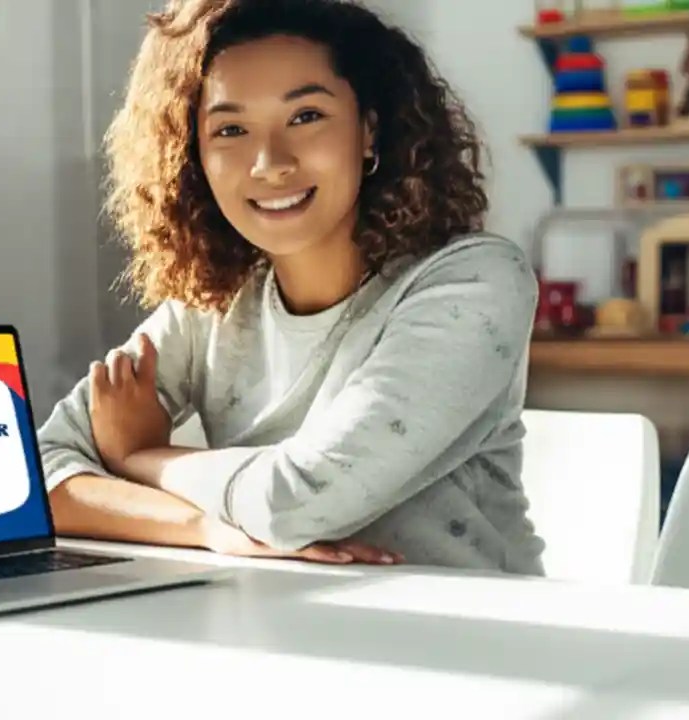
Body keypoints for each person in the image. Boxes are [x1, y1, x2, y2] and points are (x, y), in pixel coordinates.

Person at [36, 0, 545, 574]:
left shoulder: (473, 282)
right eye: (230, 129)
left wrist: (138, 455)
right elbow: (31, 480)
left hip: (474, 642)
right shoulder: (210, 304)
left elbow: (296, 504)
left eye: (305, 117)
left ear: (369, 130)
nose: (269, 162)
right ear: (194, 158)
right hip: (275, 631)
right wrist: (206, 529)